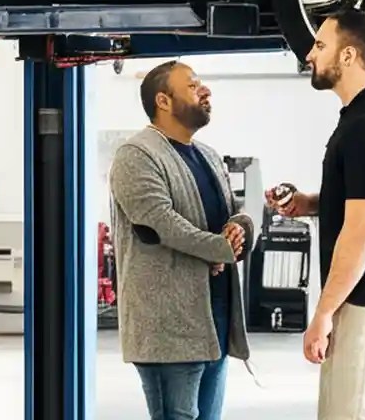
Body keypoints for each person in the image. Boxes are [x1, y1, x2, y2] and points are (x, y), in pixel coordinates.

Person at [266, 7, 365, 420]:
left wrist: (322, 313)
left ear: (349, 56)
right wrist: (309, 202)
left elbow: (362, 231)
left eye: (320, 45)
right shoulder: (364, 116)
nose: (310, 56)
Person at [109, 60, 256, 420]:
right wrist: (221, 247)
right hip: (167, 332)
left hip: (213, 323)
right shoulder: (137, 155)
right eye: (192, 86)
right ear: (163, 100)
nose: (204, 90)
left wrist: (241, 227)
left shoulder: (207, 155)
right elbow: (160, 224)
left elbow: (229, 213)